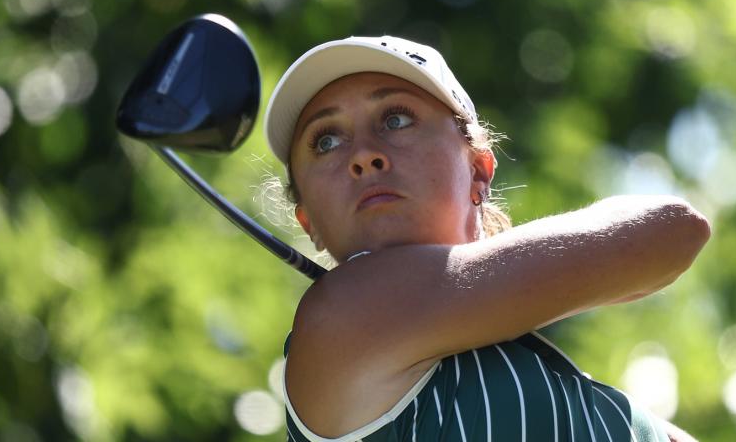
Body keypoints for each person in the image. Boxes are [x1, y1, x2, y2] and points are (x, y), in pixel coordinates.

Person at [263, 35, 711, 442]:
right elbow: (669, 230)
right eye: (325, 141)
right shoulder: (341, 315)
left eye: (395, 119)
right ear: (308, 223)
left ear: (478, 169)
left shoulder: (544, 373)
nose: (363, 155)